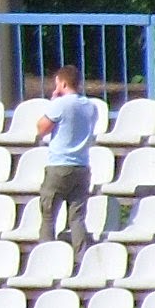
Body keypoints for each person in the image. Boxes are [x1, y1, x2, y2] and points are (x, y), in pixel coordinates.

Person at [37, 64, 98, 255]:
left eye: (57, 84)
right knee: (77, 218)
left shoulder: (60, 104)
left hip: (59, 165)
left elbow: (41, 128)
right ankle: (81, 257)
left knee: (48, 215)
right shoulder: (90, 106)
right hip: (81, 166)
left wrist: (53, 101)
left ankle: (46, 256)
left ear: (63, 83)